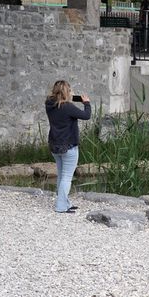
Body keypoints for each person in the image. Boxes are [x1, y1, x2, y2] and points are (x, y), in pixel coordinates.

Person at [45, 80, 92, 214]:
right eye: (70, 90)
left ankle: (64, 202)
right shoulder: (68, 107)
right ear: (66, 92)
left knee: (61, 175)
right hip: (69, 146)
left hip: (55, 145)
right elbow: (86, 116)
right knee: (66, 177)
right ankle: (61, 207)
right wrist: (86, 103)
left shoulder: (49, 105)